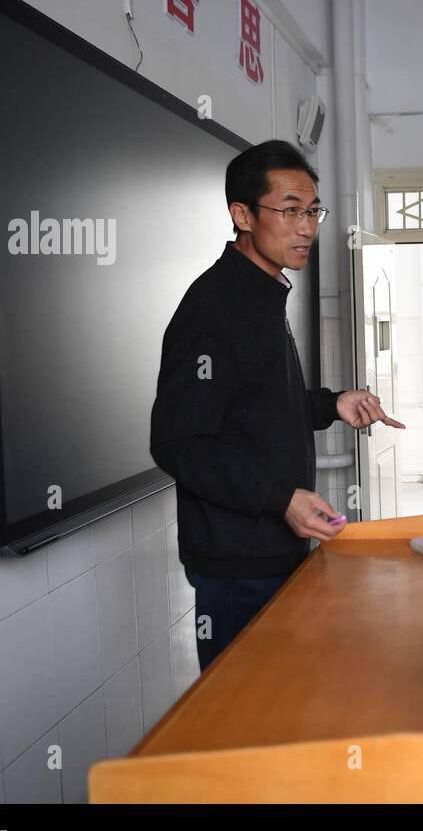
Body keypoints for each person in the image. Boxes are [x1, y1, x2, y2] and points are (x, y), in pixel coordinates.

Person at [151, 140, 404, 671]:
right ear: (241, 215)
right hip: (237, 564)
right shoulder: (215, 308)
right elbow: (178, 442)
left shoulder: (262, 293)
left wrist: (332, 404)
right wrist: (280, 498)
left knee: (284, 708)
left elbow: (257, 407)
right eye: (289, 211)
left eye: (312, 210)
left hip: (273, 548)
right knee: (247, 723)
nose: (307, 227)